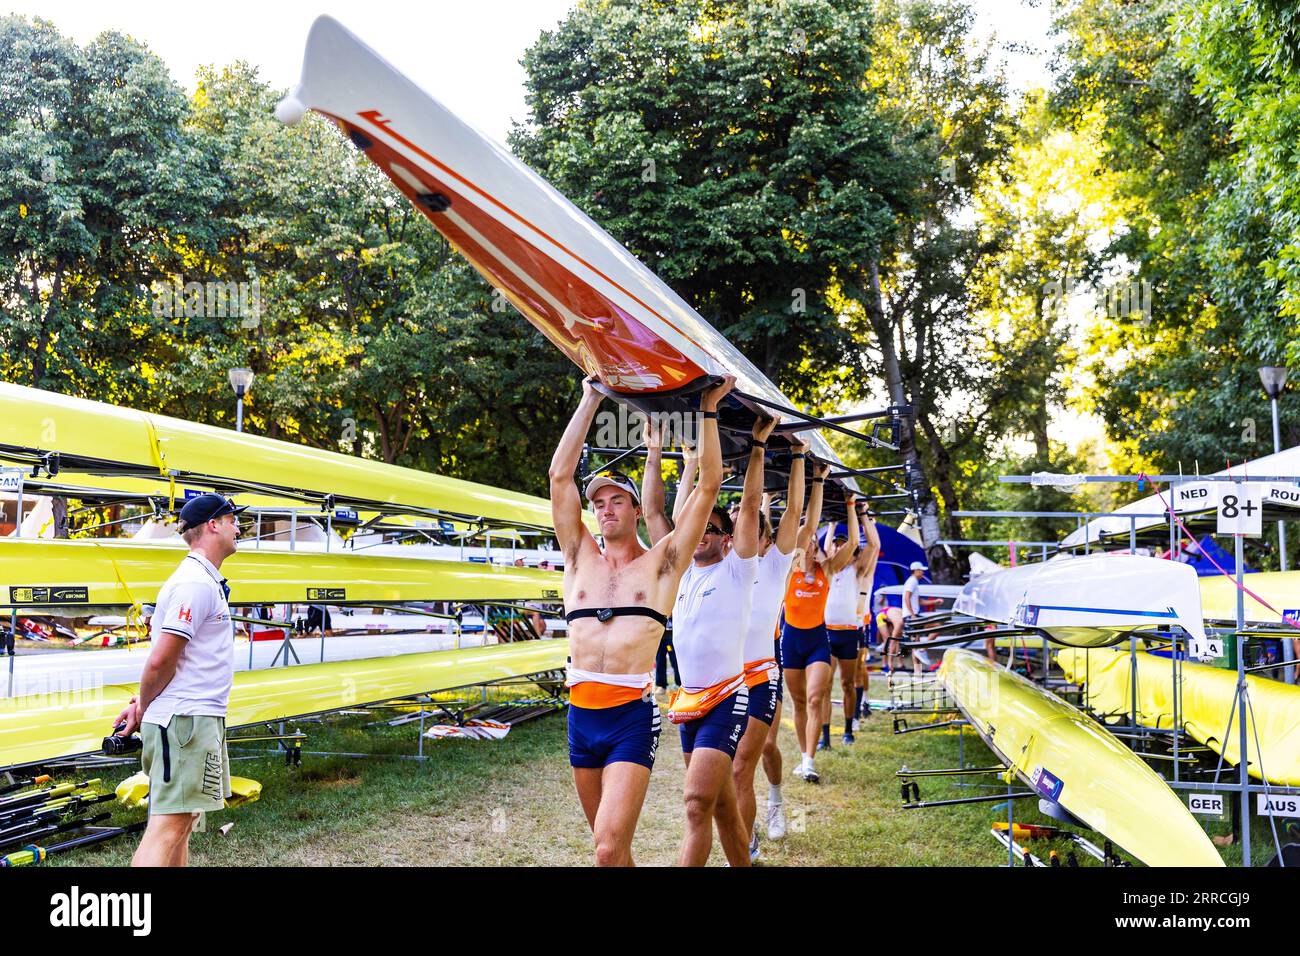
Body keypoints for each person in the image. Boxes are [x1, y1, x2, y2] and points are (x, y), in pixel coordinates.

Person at [550, 374, 733, 867]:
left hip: (630, 717)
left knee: (608, 847)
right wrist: (589, 398)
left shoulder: (663, 562)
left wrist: (707, 409)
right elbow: (560, 478)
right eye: (598, 504)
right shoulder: (577, 555)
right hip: (579, 716)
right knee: (611, 852)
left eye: (616, 501)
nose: (605, 510)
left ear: (635, 507)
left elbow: (710, 485)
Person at [642, 414, 771, 866]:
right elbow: (658, 512)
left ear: (727, 538)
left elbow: (750, 506)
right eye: (701, 528)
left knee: (696, 802)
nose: (703, 534)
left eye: (714, 529)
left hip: (728, 698)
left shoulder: (739, 568)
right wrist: (655, 453)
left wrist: (757, 448)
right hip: (688, 701)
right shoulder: (678, 566)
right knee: (719, 807)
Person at [113, 493, 245, 867]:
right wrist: (143, 705)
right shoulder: (195, 584)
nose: (239, 527)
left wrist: (142, 705)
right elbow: (161, 659)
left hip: (192, 719)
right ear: (213, 525)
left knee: (183, 823)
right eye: (232, 519)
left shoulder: (202, 579)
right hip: (184, 721)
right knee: (167, 828)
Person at [729, 443, 805, 861]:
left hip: (762, 675)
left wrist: (797, 458)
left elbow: (792, 513)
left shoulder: (775, 565)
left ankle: (771, 804)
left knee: (755, 758)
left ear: (765, 540)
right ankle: (745, 829)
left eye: (751, 529)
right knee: (731, 770)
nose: (741, 535)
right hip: (724, 682)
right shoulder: (725, 564)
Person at [777, 464, 842, 782]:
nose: (809, 548)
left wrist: (819, 482)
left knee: (816, 697)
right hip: (790, 641)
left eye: (814, 545)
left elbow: (816, 526)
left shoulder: (823, 572)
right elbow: (802, 526)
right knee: (799, 702)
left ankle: (809, 760)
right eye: (806, 545)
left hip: (817, 639)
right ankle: (803, 755)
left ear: (817, 551)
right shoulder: (788, 568)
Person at [821, 507, 871, 745]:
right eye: (836, 545)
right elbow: (823, 548)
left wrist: (864, 517)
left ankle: (849, 729)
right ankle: (824, 736)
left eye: (844, 546)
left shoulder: (857, 572)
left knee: (847, 684)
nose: (839, 549)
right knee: (825, 686)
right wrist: (830, 525)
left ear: (852, 554)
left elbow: (873, 546)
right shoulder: (826, 570)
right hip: (827, 632)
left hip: (849, 634)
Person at [902, 560, 932, 674]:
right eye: (921, 571)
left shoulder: (913, 582)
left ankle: (917, 672)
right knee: (936, 626)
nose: (923, 573)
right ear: (916, 571)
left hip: (912, 615)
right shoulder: (912, 582)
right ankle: (922, 651)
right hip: (911, 616)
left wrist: (935, 602)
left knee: (916, 643)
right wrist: (913, 615)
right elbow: (906, 598)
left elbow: (919, 601)